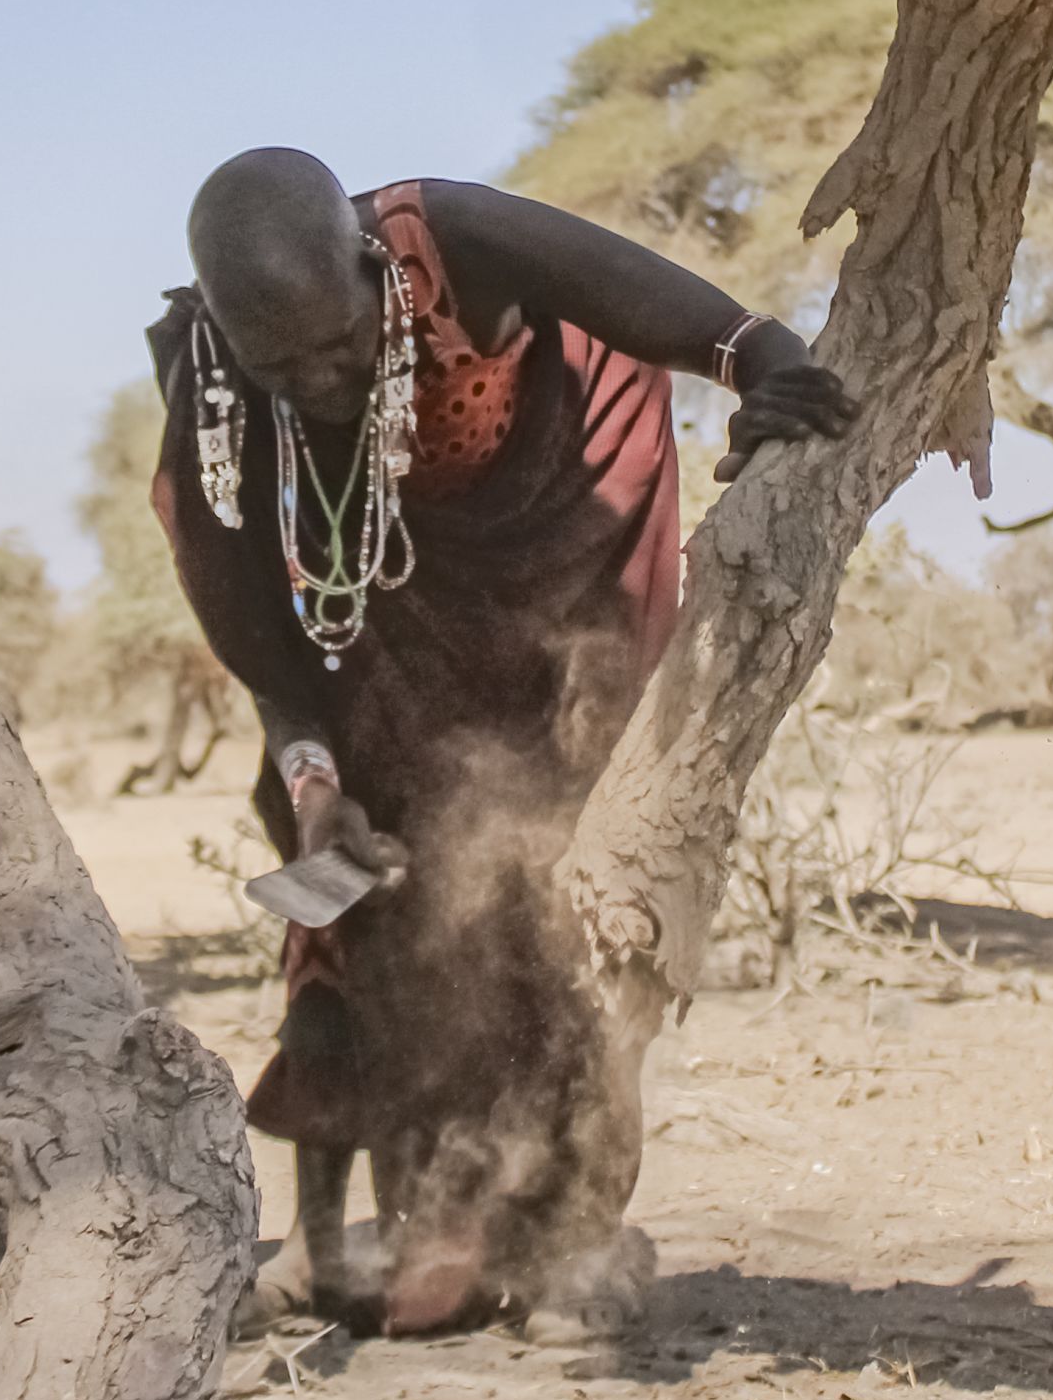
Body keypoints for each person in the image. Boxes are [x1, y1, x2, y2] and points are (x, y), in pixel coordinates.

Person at [146, 148, 855, 1332]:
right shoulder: (216, 383)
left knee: (566, 877)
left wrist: (768, 371)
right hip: (383, 625)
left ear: (367, 267)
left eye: (339, 344)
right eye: (285, 367)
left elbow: (697, 321)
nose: (320, 381)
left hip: (567, 550)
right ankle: (403, 1225)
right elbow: (267, 641)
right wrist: (314, 787)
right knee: (376, 888)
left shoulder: (450, 241)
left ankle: (573, 1228)